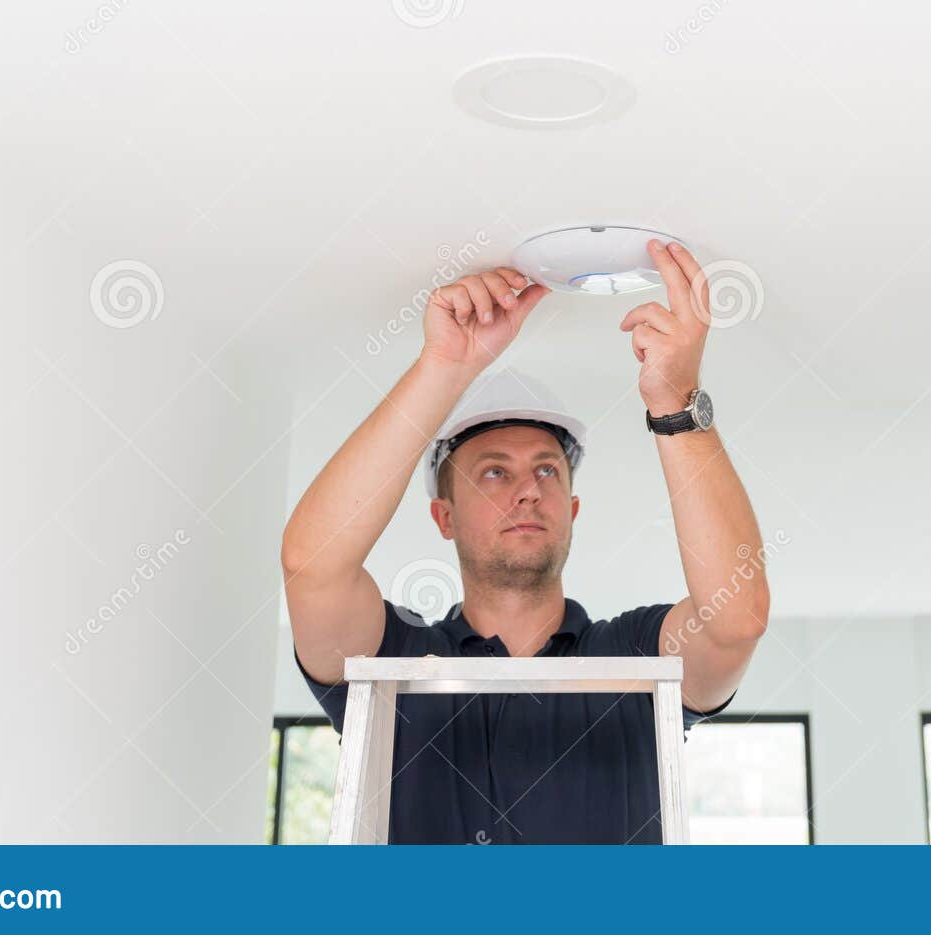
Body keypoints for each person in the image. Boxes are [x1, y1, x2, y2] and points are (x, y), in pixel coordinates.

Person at [280, 239, 769, 843]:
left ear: (572, 509)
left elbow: (736, 621)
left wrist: (674, 403)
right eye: (493, 472)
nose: (528, 491)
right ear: (445, 516)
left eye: (546, 471)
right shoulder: (394, 663)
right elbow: (313, 566)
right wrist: (446, 367)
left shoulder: (633, 662)